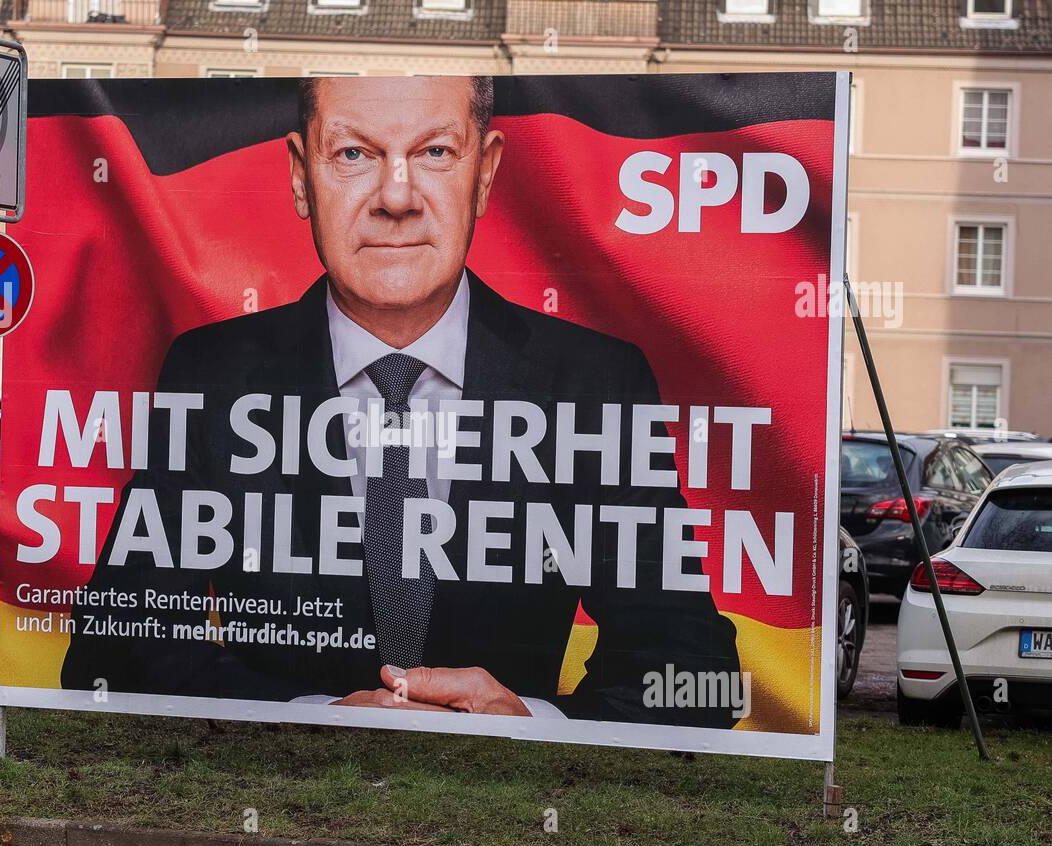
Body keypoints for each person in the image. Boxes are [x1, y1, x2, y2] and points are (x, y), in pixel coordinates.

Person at [61, 75, 740, 727]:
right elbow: (110, 653)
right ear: (302, 175)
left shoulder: (595, 384)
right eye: (354, 153)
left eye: (435, 152)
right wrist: (312, 718)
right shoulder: (214, 374)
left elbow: (700, 675)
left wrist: (533, 723)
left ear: (486, 172)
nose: (396, 196)